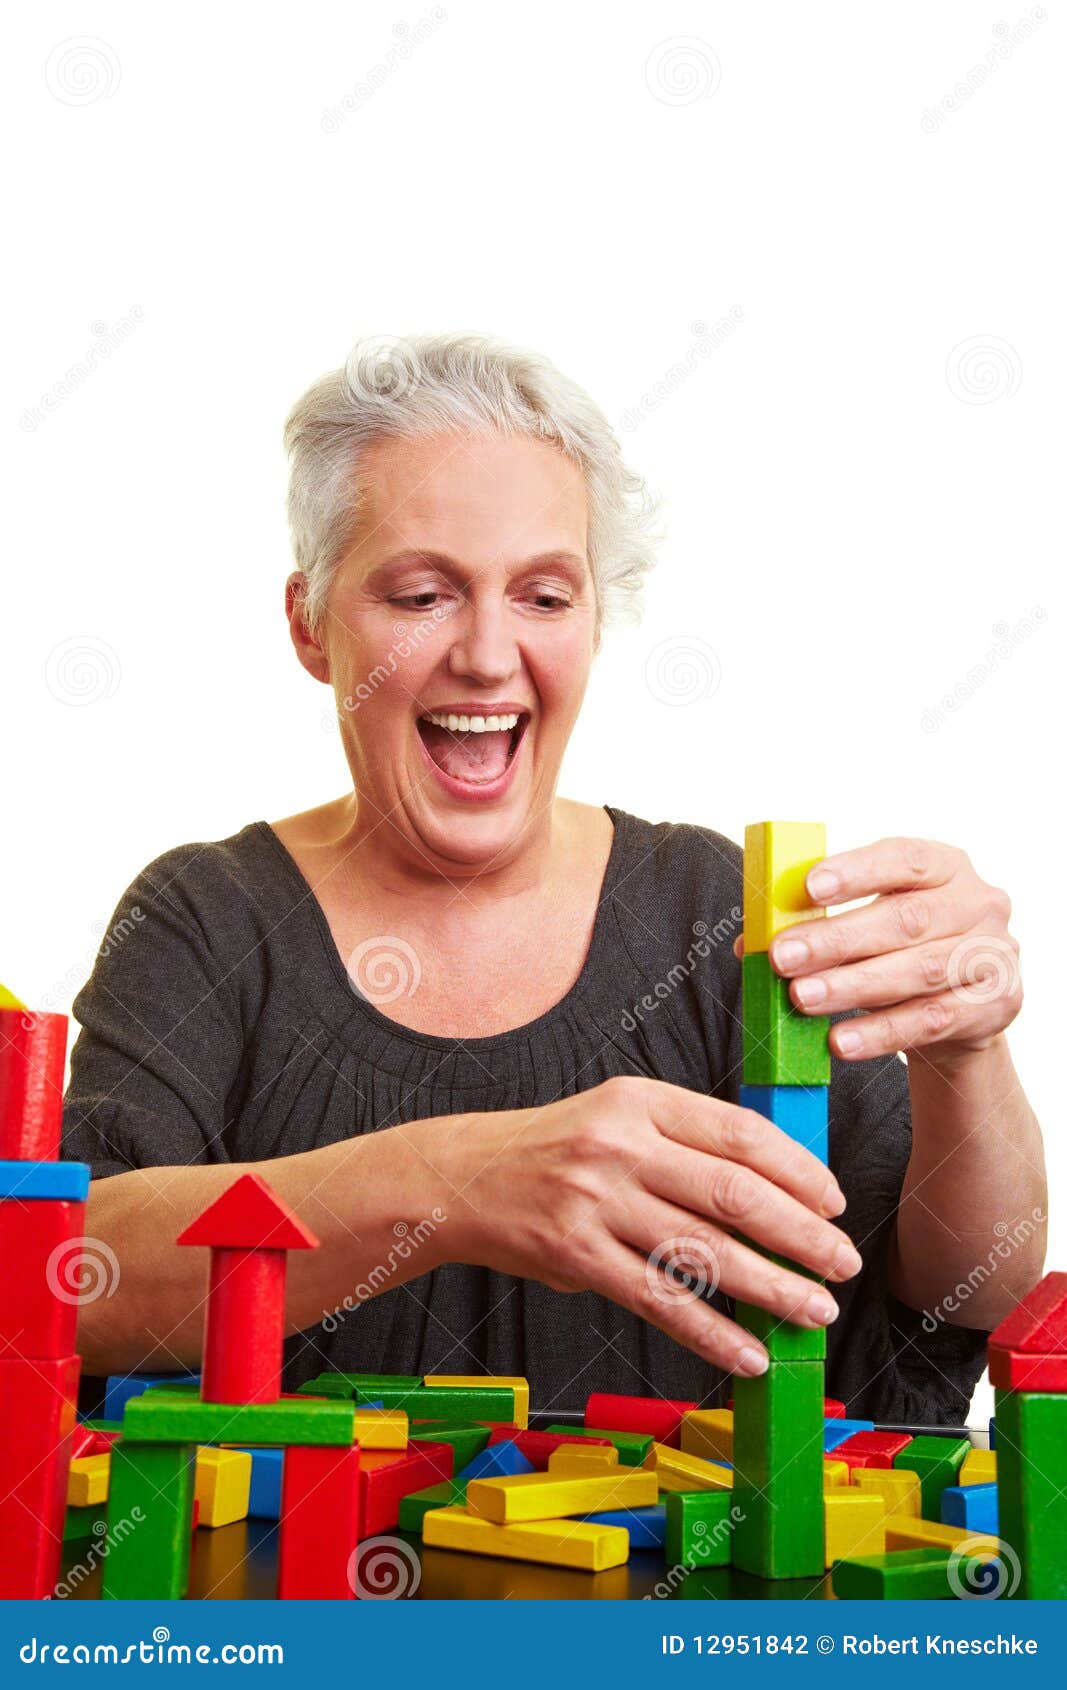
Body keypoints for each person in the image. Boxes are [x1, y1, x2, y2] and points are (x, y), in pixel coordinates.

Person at [62, 332, 1045, 1423]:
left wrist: (964, 1054)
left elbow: (954, 1295)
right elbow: (68, 1277)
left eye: (542, 596)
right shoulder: (206, 920)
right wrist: (454, 1179)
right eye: (421, 595)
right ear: (309, 624)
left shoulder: (709, 911)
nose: (488, 655)